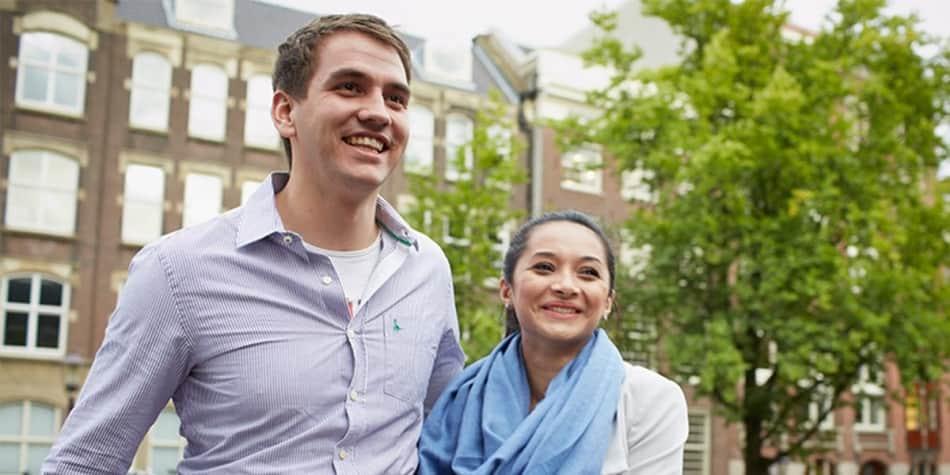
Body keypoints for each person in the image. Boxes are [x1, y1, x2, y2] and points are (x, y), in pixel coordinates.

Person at [44, 14, 464, 474]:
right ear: (286, 112)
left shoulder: (427, 270)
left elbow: (449, 436)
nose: (378, 112)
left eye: (396, 98)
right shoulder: (177, 272)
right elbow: (85, 462)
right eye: (349, 87)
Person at [418, 210, 688, 474]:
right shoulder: (459, 399)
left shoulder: (649, 400)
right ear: (506, 290)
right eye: (544, 267)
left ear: (608, 301)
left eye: (588, 272)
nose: (566, 286)